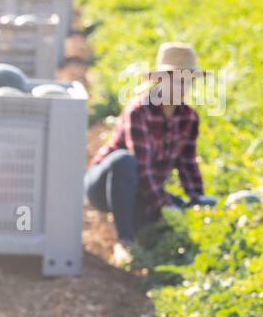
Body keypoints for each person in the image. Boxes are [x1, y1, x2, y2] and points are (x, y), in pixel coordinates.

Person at [85, 41, 217, 266]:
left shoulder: (188, 118)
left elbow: (187, 165)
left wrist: (196, 203)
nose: (181, 87)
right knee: (124, 160)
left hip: (141, 190)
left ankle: (140, 226)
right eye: (175, 80)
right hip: (103, 184)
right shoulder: (139, 111)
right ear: (160, 80)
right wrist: (165, 207)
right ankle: (124, 241)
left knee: (186, 207)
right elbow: (143, 169)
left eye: (186, 81)